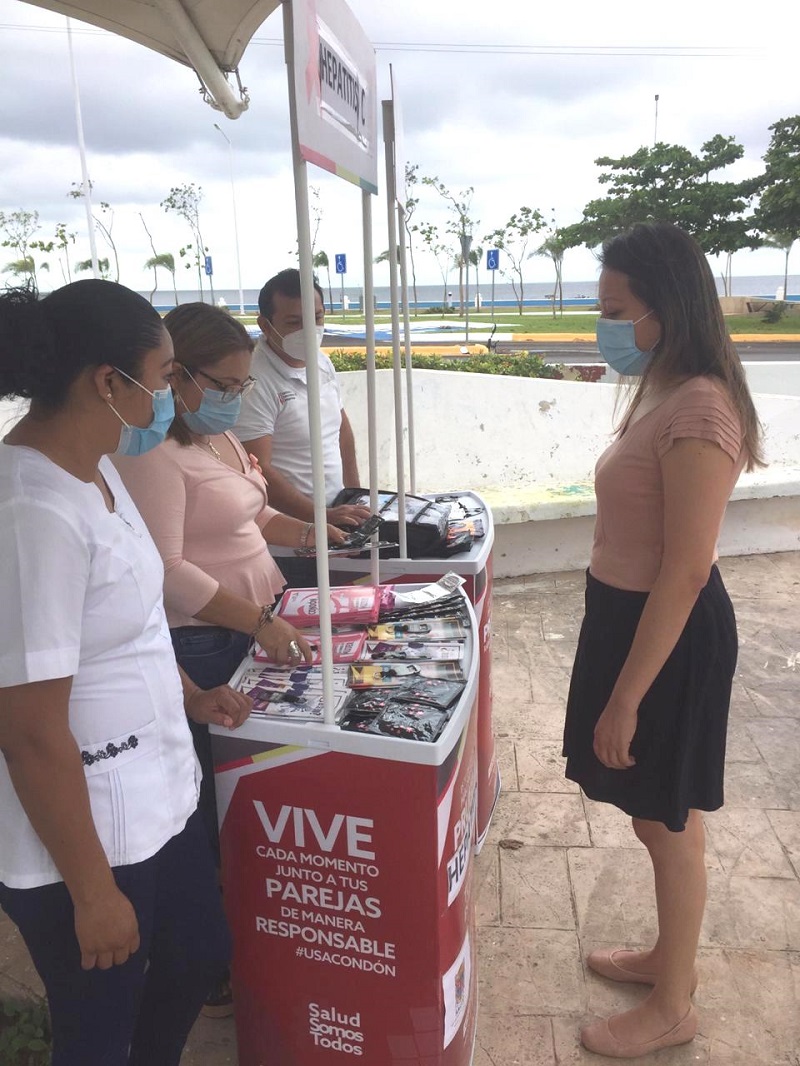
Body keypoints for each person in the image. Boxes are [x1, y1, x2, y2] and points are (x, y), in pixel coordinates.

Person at [0, 280, 251, 1066]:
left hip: (159, 794)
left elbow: (137, 623)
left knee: (196, 954)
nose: (174, 393)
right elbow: (31, 729)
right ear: (107, 382)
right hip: (87, 835)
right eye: (165, 372)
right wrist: (90, 891)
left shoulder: (97, 468)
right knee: (100, 1024)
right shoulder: (30, 512)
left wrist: (192, 694)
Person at [562, 223, 763, 1058]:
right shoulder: (661, 385)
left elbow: (684, 569)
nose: (604, 326)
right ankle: (666, 959)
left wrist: (625, 697)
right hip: (627, 621)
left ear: (665, 310)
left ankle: (675, 1003)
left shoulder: (701, 407)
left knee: (667, 815)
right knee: (654, 812)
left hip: (666, 637)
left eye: (616, 310)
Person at [112, 303, 348, 1012]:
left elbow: (252, 514)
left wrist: (315, 529)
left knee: (252, 796)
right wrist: (253, 619)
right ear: (177, 375)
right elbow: (166, 569)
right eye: (225, 384)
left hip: (254, 627)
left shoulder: (215, 442)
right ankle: (209, 953)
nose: (236, 399)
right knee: (219, 806)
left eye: (245, 385)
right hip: (204, 641)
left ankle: (237, 933)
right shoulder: (152, 454)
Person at [233, 268, 370, 585]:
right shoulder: (256, 380)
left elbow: (341, 430)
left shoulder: (321, 362)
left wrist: (354, 496)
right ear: (265, 326)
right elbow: (258, 469)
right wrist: (317, 516)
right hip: (290, 544)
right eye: (295, 322)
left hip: (337, 523)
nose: (310, 330)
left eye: (318, 318)